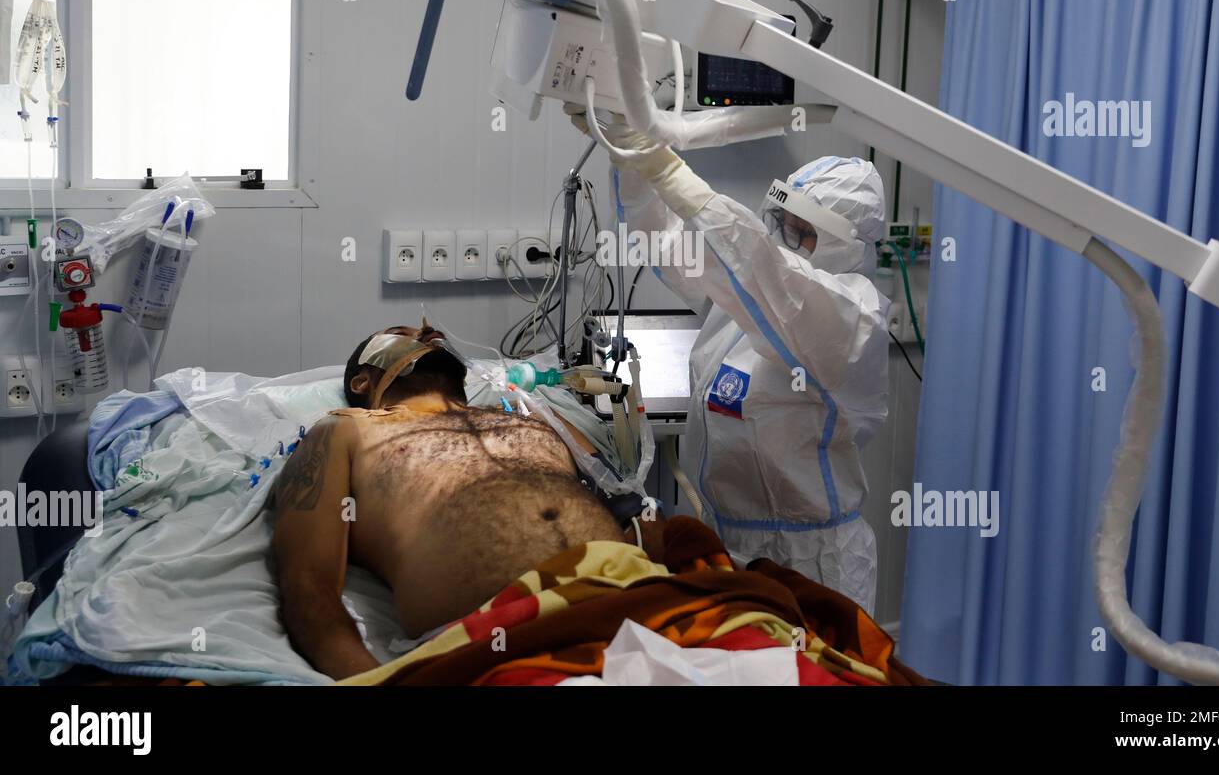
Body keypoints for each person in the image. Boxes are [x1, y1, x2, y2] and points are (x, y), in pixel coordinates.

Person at [572, 108, 890, 613]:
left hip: (812, 562)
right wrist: (629, 155)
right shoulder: (748, 300)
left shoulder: (851, 318)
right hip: (730, 543)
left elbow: (765, 266)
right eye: (780, 222)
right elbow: (676, 246)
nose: (784, 238)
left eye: (802, 230)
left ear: (842, 245)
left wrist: (667, 167)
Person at [268, 324, 639, 680]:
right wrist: (368, 678)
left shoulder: (527, 419)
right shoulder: (346, 428)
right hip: (498, 649)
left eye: (429, 334)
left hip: (637, 609)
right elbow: (307, 580)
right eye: (403, 335)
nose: (426, 335)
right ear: (362, 380)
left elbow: (623, 503)